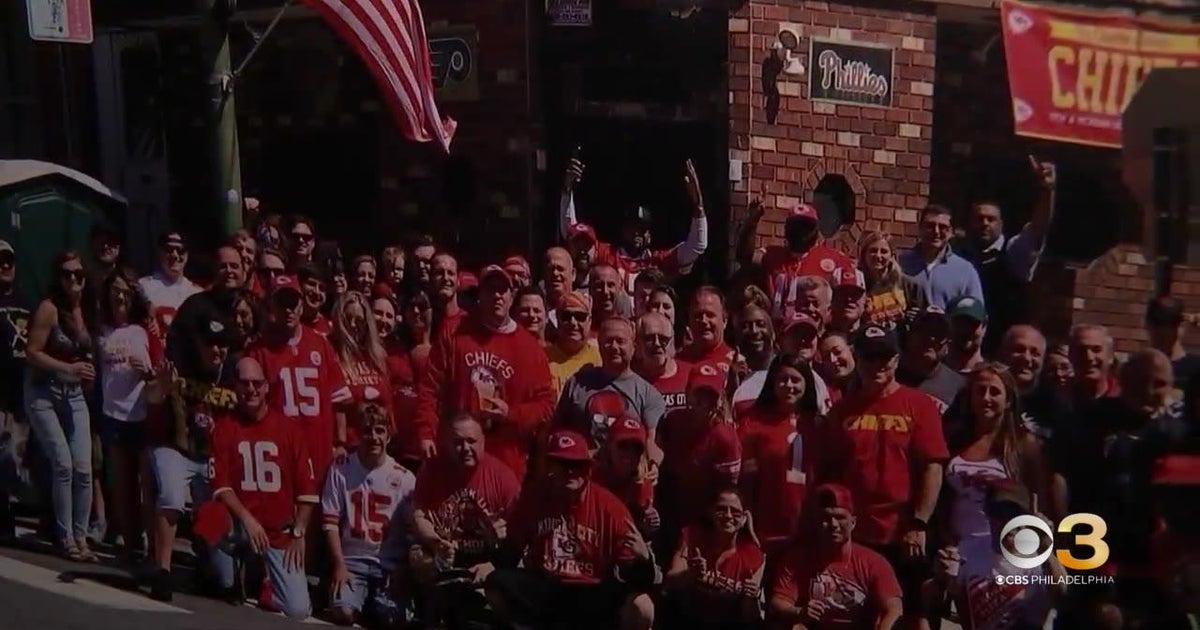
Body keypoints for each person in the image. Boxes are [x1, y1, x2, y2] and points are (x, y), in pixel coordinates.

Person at [820, 325, 949, 628]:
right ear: (857, 357)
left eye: (885, 357)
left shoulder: (920, 405)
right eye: (870, 357)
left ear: (897, 359)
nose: (878, 364)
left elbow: (933, 467)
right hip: (857, 535)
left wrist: (919, 522)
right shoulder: (841, 411)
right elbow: (829, 470)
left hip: (905, 535)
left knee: (912, 618)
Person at [485, 428, 657, 630]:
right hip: (547, 587)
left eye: (576, 465)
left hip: (591, 591)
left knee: (642, 606)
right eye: (562, 464)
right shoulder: (534, 498)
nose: (569, 471)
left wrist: (644, 559)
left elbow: (639, 581)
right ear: (550, 466)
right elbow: (510, 557)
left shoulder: (611, 508)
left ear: (588, 469)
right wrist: (495, 545)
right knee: (496, 583)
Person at [203, 356, 317, 619]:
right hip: (239, 525)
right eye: (244, 383)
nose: (251, 389)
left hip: (277, 532)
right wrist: (248, 520)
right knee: (207, 516)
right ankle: (210, 564)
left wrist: (299, 533)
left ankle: (264, 582)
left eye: (257, 383)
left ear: (267, 386)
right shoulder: (224, 427)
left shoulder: (289, 429)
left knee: (298, 610)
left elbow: (307, 493)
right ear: (235, 386)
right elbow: (220, 486)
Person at [416, 265, 554, 477]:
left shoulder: (530, 349)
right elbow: (429, 388)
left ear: (511, 296)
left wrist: (511, 413)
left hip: (506, 463)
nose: (497, 295)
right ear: (480, 295)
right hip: (456, 457)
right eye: (490, 289)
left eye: (503, 290)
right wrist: (426, 433)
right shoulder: (455, 336)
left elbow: (545, 406)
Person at [148, 316, 237, 600]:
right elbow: (150, 397)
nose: (216, 351)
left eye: (221, 346)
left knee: (223, 575)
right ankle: (162, 570)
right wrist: (161, 386)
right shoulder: (179, 363)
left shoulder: (233, 373)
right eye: (210, 344)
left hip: (210, 456)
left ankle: (205, 563)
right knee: (172, 497)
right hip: (175, 446)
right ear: (199, 344)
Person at [407, 413, 520, 626]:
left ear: (483, 441)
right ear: (448, 443)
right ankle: (424, 607)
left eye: (471, 441)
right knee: (418, 555)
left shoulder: (503, 476)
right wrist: (435, 541)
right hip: (445, 554)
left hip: (485, 557)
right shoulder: (432, 469)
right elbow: (418, 514)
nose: (465, 448)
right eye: (458, 443)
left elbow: (521, 531)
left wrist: (500, 543)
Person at [941, 363, 1049, 585]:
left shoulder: (1024, 444)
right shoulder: (954, 440)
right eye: (980, 391)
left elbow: (1038, 500)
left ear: (1008, 400)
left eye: (995, 392)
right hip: (962, 553)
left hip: (1009, 555)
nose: (986, 398)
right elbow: (943, 502)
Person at [24, 251, 97, 561]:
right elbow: (32, 352)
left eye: (79, 274)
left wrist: (88, 372)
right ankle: (65, 536)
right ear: (58, 277)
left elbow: (89, 350)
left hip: (75, 394)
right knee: (63, 465)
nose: (74, 280)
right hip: (45, 390)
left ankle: (82, 536)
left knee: (84, 466)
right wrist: (68, 369)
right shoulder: (48, 309)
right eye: (67, 274)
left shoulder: (86, 309)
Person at [247, 275, 352, 481]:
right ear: (272, 307)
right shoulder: (259, 351)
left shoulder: (321, 344)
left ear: (301, 306)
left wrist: (340, 443)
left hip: (318, 447)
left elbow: (338, 399)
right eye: (282, 303)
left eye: (293, 303)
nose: (288, 310)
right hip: (278, 448)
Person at [322, 401, 415, 627]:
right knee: (343, 614)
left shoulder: (405, 478)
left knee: (391, 620)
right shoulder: (341, 469)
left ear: (388, 436)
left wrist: (402, 570)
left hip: (388, 565)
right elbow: (330, 523)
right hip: (352, 562)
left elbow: (413, 533)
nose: (373, 437)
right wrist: (339, 565)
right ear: (357, 434)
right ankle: (354, 598)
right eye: (367, 431)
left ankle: (376, 604)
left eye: (380, 431)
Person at [924, 484, 1062, 630]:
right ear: (987, 513)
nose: (1008, 521)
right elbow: (934, 600)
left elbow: (1062, 595)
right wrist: (940, 580)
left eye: (1015, 514)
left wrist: (1047, 550)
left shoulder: (1038, 553)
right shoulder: (968, 551)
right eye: (1000, 512)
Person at [560, 157, 708, 292]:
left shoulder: (659, 260)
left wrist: (698, 204)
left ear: (650, 235)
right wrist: (567, 190)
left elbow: (697, 246)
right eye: (632, 228)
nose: (637, 233)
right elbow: (571, 233)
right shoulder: (607, 254)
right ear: (623, 230)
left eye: (642, 229)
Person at [954, 158, 1055, 355]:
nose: (984, 223)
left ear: (1000, 223)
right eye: (979, 219)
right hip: (964, 351)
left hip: (1004, 353)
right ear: (969, 223)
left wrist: (1047, 190)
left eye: (990, 219)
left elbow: (1038, 229)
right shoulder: (959, 256)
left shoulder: (1014, 253)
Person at [769, 483, 903, 630]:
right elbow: (779, 601)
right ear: (816, 521)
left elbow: (894, 607)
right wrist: (799, 612)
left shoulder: (874, 562)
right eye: (826, 517)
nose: (833, 524)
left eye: (840, 517)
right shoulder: (796, 559)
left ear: (853, 522)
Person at [97, 268, 159, 563]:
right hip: (113, 414)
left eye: (124, 291)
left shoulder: (144, 329)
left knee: (147, 484)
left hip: (141, 413)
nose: (119, 296)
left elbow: (158, 370)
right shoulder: (104, 331)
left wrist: (146, 371)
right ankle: (130, 542)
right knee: (122, 484)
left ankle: (152, 546)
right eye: (115, 291)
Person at [738, 353, 821, 551]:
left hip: (810, 528)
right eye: (783, 379)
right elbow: (744, 480)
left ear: (807, 383)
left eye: (796, 380)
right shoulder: (753, 423)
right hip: (766, 528)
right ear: (772, 383)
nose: (789, 385)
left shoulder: (819, 425)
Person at [554, 317, 665, 462]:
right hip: (583, 473)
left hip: (627, 477)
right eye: (608, 341)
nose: (613, 346)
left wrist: (653, 464)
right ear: (599, 346)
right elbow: (557, 431)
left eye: (620, 341)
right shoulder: (576, 384)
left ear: (634, 347)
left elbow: (652, 443)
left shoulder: (649, 394)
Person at [657, 365, 741, 551]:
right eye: (699, 393)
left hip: (706, 522)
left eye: (710, 394)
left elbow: (727, 490)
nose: (704, 400)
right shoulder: (672, 421)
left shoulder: (725, 438)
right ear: (687, 392)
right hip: (670, 512)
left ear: (720, 398)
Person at [663, 488, 765, 628]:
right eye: (721, 509)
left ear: (743, 519)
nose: (728, 516)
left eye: (735, 511)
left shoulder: (753, 556)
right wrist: (690, 574)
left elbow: (749, 616)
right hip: (688, 620)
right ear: (710, 512)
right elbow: (670, 582)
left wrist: (752, 597)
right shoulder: (692, 536)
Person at [738, 201, 856, 321]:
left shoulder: (835, 259)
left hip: (818, 331)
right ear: (786, 229)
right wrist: (751, 223)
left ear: (816, 230)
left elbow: (851, 300)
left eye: (806, 226)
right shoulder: (771, 254)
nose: (801, 232)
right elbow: (744, 258)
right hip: (779, 330)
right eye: (796, 226)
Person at [167, 245, 247, 369]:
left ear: (244, 271)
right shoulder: (195, 306)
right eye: (222, 266)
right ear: (214, 271)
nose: (229, 271)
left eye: (234, 266)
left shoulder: (253, 306)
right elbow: (175, 348)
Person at [330, 291, 392, 448]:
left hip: (379, 446)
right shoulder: (331, 353)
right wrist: (339, 444)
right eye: (347, 319)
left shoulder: (378, 356)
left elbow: (388, 403)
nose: (352, 325)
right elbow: (336, 408)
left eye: (358, 320)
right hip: (349, 447)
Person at [899, 205, 984, 310]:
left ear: (950, 232)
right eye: (930, 226)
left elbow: (977, 314)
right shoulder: (901, 263)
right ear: (920, 229)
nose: (936, 231)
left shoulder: (965, 270)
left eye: (942, 227)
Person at [0, 240, 29, 541]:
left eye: (9, 260)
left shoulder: (26, 301)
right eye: (0, 261)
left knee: (13, 456)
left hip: (21, 392)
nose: (5, 265)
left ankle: (7, 515)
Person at [593, 415, 659, 541]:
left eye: (637, 448)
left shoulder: (643, 481)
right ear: (609, 445)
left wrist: (647, 525)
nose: (630, 453)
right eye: (623, 445)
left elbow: (639, 530)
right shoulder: (591, 474)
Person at [897, 306, 965, 413]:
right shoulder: (889, 374)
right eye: (923, 331)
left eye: (938, 334)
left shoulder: (958, 387)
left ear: (948, 345)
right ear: (909, 335)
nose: (930, 338)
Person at [139, 232, 201, 345]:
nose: (175, 255)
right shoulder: (143, 287)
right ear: (159, 252)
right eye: (169, 249)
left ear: (187, 255)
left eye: (180, 250)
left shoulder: (197, 293)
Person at [858, 231, 928, 332]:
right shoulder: (857, 284)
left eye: (884, 251)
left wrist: (917, 318)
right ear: (864, 255)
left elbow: (925, 320)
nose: (878, 256)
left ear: (892, 256)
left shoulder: (910, 285)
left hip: (900, 345)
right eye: (873, 250)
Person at [634, 312, 691, 414]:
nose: (657, 343)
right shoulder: (631, 381)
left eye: (663, 339)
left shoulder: (692, 375)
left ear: (672, 341)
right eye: (649, 338)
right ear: (638, 342)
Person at [547, 292, 601, 397]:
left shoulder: (601, 358)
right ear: (557, 320)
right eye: (566, 316)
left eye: (580, 316)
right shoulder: (542, 358)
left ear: (589, 321)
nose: (573, 322)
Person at [1146, 295, 1200, 389]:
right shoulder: (1137, 366)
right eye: (1158, 323)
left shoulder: (1196, 369)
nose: (1163, 332)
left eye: (1171, 324)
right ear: (1148, 325)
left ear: (1181, 326)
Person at [678, 286, 736, 373]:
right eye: (697, 315)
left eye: (710, 315)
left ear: (724, 321)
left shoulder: (735, 364)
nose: (703, 321)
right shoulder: (675, 363)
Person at [945, 296, 987, 374]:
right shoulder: (931, 372)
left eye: (973, 324)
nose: (965, 330)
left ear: (984, 327)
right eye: (959, 323)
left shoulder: (992, 378)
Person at [429, 253, 466, 336]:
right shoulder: (424, 325)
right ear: (430, 279)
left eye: (450, 273)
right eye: (439, 273)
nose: (445, 278)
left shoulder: (469, 323)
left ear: (458, 280)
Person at [542, 247, 576, 332]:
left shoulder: (585, 309)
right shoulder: (537, 313)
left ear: (573, 274)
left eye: (560, 269)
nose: (555, 273)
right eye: (550, 269)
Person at [818, 331, 857, 404]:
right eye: (826, 357)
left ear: (851, 350)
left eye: (837, 352)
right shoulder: (824, 394)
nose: (833, 360)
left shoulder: (870, 383)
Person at [296, 262, 333, 336]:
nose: (316, 292)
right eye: (311, 284)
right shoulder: (289, 323)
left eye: (321, 288)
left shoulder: (331, 329)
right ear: (299, 285)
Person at [829, 267, 867, 334]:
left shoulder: (872, 338)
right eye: (844, 293)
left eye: (855, 294)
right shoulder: (819, 337)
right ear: (832, 298)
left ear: (864, 299)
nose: (849, 299)